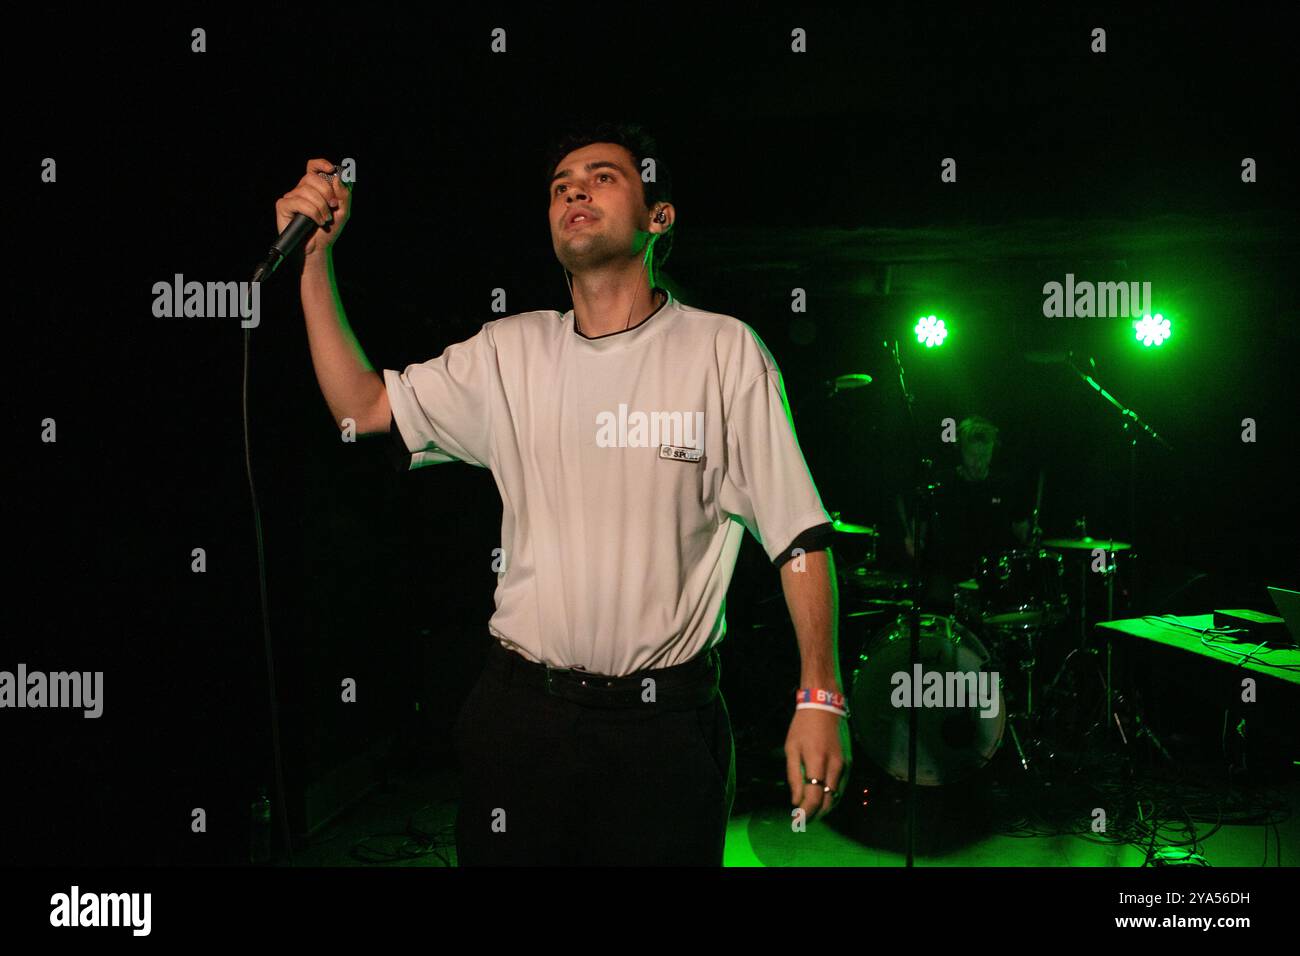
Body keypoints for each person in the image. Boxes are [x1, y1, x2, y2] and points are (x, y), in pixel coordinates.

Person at [276, 121, 849, 865]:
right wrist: (315, 261)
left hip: (663, 730)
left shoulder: (722, 351)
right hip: (521, 718)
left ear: (658, 218)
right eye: (560, 185)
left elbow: (798, 534)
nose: (575, 188)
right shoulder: (509, 352)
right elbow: (362, 412)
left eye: (603, 175)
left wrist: (820, 696)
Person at [902, 415, 1033, 608]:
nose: (978, 463)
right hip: (948, 576)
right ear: (960, 450)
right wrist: (914, 540)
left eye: (984, 456)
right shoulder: (942, 486)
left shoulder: (1005, 487)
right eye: (972, 456)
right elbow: (917, 528)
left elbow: (1023, 533)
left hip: (994, 576)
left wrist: (1030, 537)